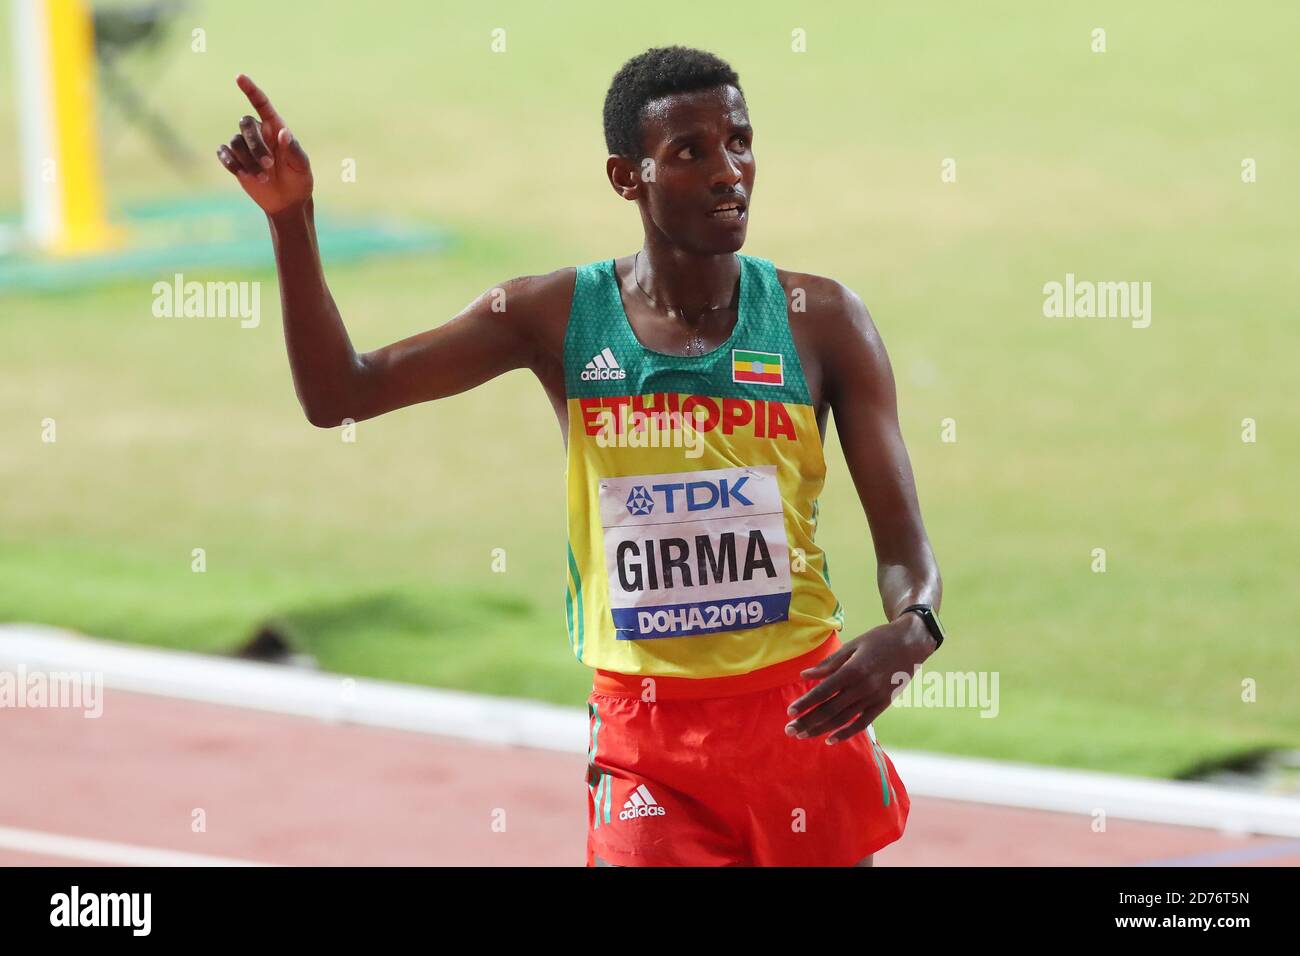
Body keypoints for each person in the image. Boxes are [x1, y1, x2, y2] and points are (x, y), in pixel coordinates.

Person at [216, 45, 944, 867]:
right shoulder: (555, 315)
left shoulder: (823, 320)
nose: (728, 171)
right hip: (649, 740)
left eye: (739, 141)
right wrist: (291, 220)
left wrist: (913, 626)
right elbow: (341, 393)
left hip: (803, 716)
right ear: (626, 177)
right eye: (689, 152)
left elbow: (905, 550)